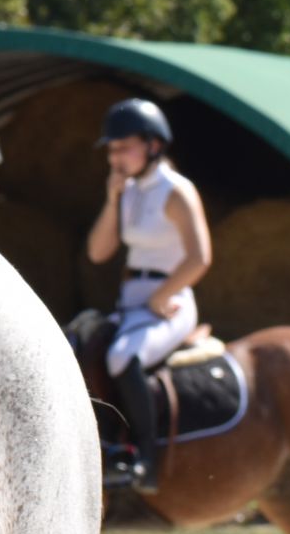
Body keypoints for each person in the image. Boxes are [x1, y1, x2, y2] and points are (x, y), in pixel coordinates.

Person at [85, 96, 212, 492]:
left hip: (169, 304)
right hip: (133, 303)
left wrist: (162, 295)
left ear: (153, 145)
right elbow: (98, 252)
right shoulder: (129, 191)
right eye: (111, 150)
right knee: (83, 342)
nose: (115, 157)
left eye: (124, 147)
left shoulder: (176, 191)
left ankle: (146, 460)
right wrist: (113, 200)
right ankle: (107, 445)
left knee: (124, 356)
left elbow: (200, 257)